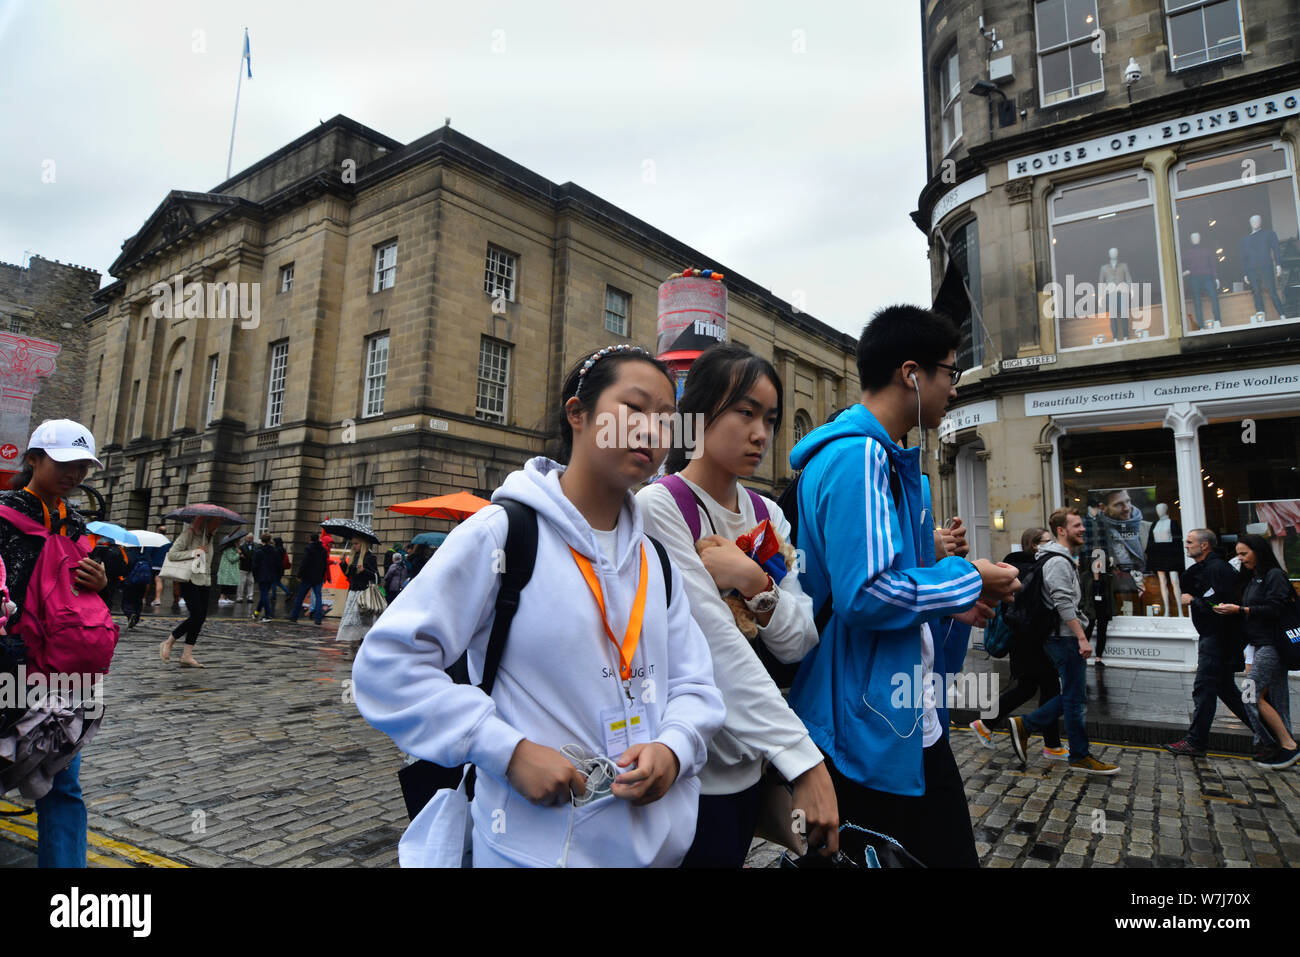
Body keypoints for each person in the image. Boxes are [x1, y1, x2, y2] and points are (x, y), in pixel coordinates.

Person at [353, 344, 725, 867]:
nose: (652, 432)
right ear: (578, 413)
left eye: (667, 421)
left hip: (654, 850)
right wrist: (507, 750)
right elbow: (386, 666)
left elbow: (694, 683)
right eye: (635, 409)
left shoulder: (656, 560)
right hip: (528, 850)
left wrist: (674, 748)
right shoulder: (503, 533)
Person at [787, 305, 1019, 867]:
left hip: (901, 715)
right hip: (867, 722)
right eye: (950, 372)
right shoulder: (860, 456)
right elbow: (867, 594)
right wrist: (966, 578)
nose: (955, 389)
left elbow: (892, 584)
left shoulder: (884, 459)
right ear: (911, 374)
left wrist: (953, 605)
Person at [637, 344, 837, 865]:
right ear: (697, 416)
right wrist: (803, 761)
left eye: (769, 418)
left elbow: (797, 641)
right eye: (744, 412)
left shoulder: (767, 513)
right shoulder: (659, 505)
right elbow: (714, 643)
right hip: (685, 769)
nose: (760, 433)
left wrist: (753, 581)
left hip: (750, 767)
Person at [0, 419, 109, 867]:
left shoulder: (76, 523)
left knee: (63, 782)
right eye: (65, 463)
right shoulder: (4, 514)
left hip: (66, 674)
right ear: (33, 460)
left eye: (83, 466)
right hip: (11, 666)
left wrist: (102, 581)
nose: (75, 475)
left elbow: (81, 597)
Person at [1010, 509, 1120, 775]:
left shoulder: (1061, 559)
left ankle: (1027, 725)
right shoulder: (1057, 562)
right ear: (1062, 530)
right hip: (1064, 637)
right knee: (1074, 699)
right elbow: (1063, 603)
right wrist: (1082, 637)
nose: (1083, 529)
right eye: (1077, 525)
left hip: (1063, 636)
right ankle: (1078, 754)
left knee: (1073, 695)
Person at [970, 528, 1066, 761]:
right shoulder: (1032, 569)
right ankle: (1052, 746)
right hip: (1033, 639)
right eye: (1047, 541)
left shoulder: (1021, 568)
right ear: (1035, 545)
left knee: (1029, 687)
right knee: (1049, 689)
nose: (1052, 544)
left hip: (1022, 639)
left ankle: (986, 723)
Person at [1212, 533, 1298, 769]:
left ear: (1258, 552)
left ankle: (1285, 745)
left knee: (1249, 694)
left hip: (1273, 644)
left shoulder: (1274, 575)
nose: (1240, 559)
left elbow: (1275, 609)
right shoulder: (1253, 578)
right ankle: (1281, 747)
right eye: (1238, 554)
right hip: (1260, 644)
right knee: (1276, 699)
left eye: (1244, 553)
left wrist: (1241, 610)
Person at [1165, 529, 1253, 758]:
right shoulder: (1208, 568)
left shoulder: (1216, 569)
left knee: (1204, 689)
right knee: (1227, 691)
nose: (1186, 546)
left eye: (1190, 542)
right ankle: (1269, 736)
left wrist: (1194, 600)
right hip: (1215, 638)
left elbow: (1220, 606)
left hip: (1217, 639)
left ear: (1204, 546)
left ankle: (1196, 741)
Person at [159, 516, 220, 668]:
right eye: (215, 522)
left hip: (205, 581)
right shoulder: (189, 534)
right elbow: (172, 554)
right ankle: (169, 641)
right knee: (197, 615)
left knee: (200, 618)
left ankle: (187, 655)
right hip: (189, 580)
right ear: (206, 522)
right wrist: (194, 552)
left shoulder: (210, 538)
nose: (217, 525)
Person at [337, 539, 379, 643]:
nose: (353, 546)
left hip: (363, 594)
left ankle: (362, 644)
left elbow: (376, 576)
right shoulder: (355, 556)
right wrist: (343, 563)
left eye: (356, 543)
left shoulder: (370, 557)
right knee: (351, 622)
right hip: (352, 593)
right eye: (352, 544)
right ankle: (353, 646)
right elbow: (349, 575)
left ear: (363, 543)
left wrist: (364, 571)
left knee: (362, 622)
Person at [289, 534, 329, 626]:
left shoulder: (308, 548)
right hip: (318, 577)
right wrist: (322, 575)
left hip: (307, 577)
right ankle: (318, 619)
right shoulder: (323, 550)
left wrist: (299, 574)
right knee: (318, 598)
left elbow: (304, 563)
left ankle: (294, 616)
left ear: (310, 539)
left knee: (300, 597)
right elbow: (324, 564)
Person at [252, 533, 280, 621]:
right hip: (271, 576)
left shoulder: (258, 552)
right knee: (264, 595)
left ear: (261, 540)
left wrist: (255, 576)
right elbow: (277, 564)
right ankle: (256, 613)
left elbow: (255, 566)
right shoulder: (274, 551)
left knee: (264, 595)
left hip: (262, 576)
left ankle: (268, 615)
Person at [148, 525, 171, 608]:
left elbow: (149, 552)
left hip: (152, 564)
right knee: (159, 581)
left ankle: (143, 598)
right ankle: (157, 599)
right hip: (162, 565)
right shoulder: (168, 542)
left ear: (157, 531)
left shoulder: (154, 541)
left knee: (147, 581)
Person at [216, 537, 240, 606]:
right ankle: (222, 598)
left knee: (228, 584)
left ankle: (225, 598)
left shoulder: (233, 549)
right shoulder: (229, 549)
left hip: (229, 570)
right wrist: (238, 554)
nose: (239, 543)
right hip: (227, 570)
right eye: (238, 541)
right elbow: (232, 559)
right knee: (225, 584)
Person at [236, 533, 256, 604]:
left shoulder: (255, 545)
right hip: (243, 566)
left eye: (251, 538)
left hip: (251, 567)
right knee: (241, 582)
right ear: (246, 538)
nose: (249, 539)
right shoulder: (242, 546)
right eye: (248, 538)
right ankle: (239, 597)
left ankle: (250, 597)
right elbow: (238, 554)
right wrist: (241, 555)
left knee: (251, 582)